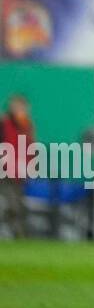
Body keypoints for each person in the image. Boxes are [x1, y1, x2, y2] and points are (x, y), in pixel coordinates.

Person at [0, 93, 34, 237]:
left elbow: (29, 148)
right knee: (13, 205)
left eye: (22, 107)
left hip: (18, 172)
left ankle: (19, 236)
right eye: (16, 106)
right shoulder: (4, 123)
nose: (20, 109)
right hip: (5, 170)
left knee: (16, 206)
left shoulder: (26, 125)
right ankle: (20, 235)